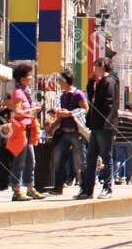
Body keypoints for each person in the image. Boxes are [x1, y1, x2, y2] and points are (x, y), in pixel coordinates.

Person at [78, 57, 120, 200]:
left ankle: (107, 188)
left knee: (106, 157)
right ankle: (87, 189)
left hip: (104, 125)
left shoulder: (110, 82)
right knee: (91, 158)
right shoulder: (102, 82)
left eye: (96, 66)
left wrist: (104, 121)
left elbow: (108, 105)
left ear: (102, 66)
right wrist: (91, 83)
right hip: (96, 125)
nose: (94, 69)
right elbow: (92, 100)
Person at [7, 62, 44, 201]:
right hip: (21, 129)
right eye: (29, 76)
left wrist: (33, 109)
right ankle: (16, 189)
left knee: (30, 160)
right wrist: (32, 110)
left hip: (28, 128)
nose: (31, 78)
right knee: (20, 160)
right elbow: (17, 112)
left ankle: (30, 187)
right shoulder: (17, 92)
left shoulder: (25, 92)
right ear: (22, 78)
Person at [50, 70, 87, 194]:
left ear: (65, 81)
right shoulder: (63, 96)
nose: (59, 82)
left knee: (79, 161)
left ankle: (84, 187)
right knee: (58, 159)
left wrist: (69, 113)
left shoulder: (78, 94)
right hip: (64, 132)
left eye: (60, 80)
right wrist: (53, 126)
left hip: (76, 133)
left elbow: (85, 109)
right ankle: (58, 186)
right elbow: (61, 116)